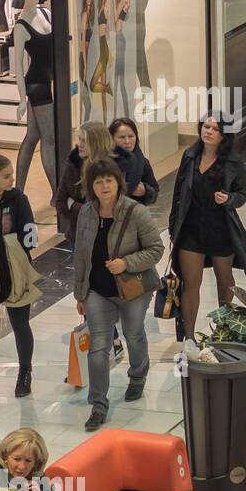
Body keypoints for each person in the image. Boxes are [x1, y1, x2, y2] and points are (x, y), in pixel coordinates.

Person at [75, 157, 162, 431]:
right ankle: (98, 405)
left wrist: (127, 263)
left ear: (118, 183)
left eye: (108, 180)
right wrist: (80, 294)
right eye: (98, 181)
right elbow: (80, 256)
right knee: (98, 346)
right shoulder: (86, 213)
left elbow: (156, 249)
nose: (104, 186)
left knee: (133, 333)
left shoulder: (135, 212)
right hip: (97, 291)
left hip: (132, 290)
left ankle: (137, 376)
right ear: (91, 186)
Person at [168, 115, 246, 341]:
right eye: (205, 127)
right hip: (191, 228)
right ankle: (189, 337)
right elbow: (178, 194)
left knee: (225, 281)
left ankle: (224, 330)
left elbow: (242, 194)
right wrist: (173, 227)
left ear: (223, 135)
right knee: (191, 283)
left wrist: (228, 198)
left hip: (220, 229)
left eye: (214, 129)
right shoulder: (190, 156)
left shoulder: (233, 161)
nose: (208, 131)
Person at [0, 155, 38, 411]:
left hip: (15, 271)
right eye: (6, 176)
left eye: (12, 174)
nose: (12, 179)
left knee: (20, 324)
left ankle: (25, 371)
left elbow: (30, 235)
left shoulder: (18, 199)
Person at [55, 121, 114, 243]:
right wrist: (81, 212)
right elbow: (60, 201)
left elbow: (99, 213)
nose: (79, 145)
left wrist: (72, 205)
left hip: (104, 239)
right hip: (77, 236)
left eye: (84, 141)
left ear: (97, 143)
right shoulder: (73, 163)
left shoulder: (110, 170)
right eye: (79, 139)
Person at [108, 118, 160, 205]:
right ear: (111, 139)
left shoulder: (142, 162)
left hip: (133, 214)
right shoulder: (103, 162)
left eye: (131, 136)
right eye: (121, 137)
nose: (127, 141)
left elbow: (155, 190)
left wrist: (145, 191)